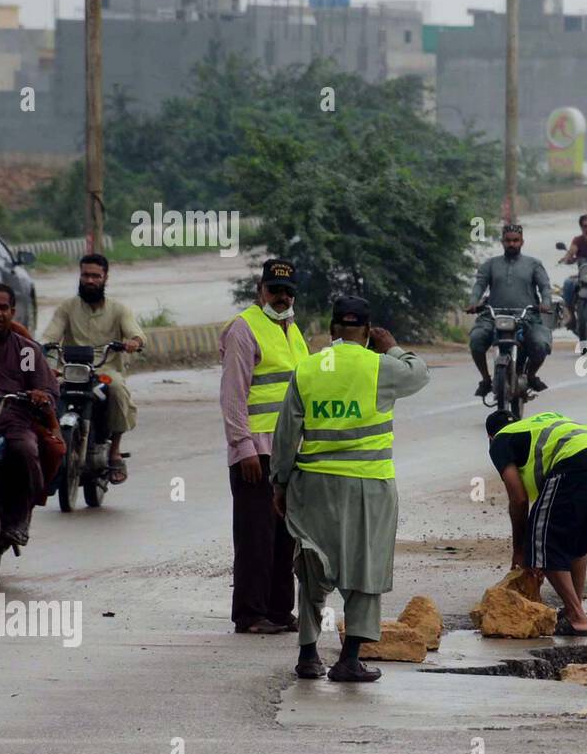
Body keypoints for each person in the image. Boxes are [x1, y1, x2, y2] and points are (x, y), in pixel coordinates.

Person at [272, 296, 430, 682]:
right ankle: (348, 660)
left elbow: (286, 433)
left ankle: (308, 656)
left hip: (314, 486)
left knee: (311, 569)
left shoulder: (308, 368)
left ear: (331, 330)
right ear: (368, 331)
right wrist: (390, 345)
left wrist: (280, 482)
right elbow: (419, 372)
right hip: (368, 486)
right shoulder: (380, 366)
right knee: (365, 569)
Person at [219, 259, 309, 635]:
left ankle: (277, 610)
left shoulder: (292, 328)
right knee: (256, 536)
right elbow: (233, 394)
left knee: (284, 535)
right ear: (261, 290)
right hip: (256, 450)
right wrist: (243, 447)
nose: (282, 296)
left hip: (288, 450)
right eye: (275, 290)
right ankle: (251, 614)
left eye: (288, 291)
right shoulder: (244, 329)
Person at [485, 409, 587, 637]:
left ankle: (577, 617)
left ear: (489, 437)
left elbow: (518, 499)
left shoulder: (499, 441)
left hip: (576, 460)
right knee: (576, 541)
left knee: (542, 542)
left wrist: (520, 549)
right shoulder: (536, 424)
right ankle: (573, 610)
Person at [41, 254, 145, 484]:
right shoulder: (67, 308)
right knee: (45, 392)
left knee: (117, 388)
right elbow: (50, 335)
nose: (90, 280)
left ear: (105, 278)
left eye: (95, 276)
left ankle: (115, 452)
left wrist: (133, 342)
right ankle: (51, 447)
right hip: (70, 369)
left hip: (104, 370)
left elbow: (135, 333)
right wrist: (44, 349)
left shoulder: (119, 309)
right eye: (85, 275)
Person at [0, 283, 59, 546]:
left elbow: (47, 389)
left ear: (13, 311)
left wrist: (40, 395)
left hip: (13, 421)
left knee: (25, 450)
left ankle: (20, 517)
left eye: (3, 308)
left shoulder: (25, 351)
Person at [467, 223, 552, 396]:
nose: (511, 244)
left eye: (515, 240)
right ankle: (485, 379)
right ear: (502, 242)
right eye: (508, 241)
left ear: (522, 242)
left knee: (541, 343)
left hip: (527, 317)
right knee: (476, 339)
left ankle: (531, 375)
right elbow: (479, 286)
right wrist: (473, 301)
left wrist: (546, 302)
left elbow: (545, 287)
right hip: (493, 316)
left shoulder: (534, 264)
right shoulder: (490, 264)